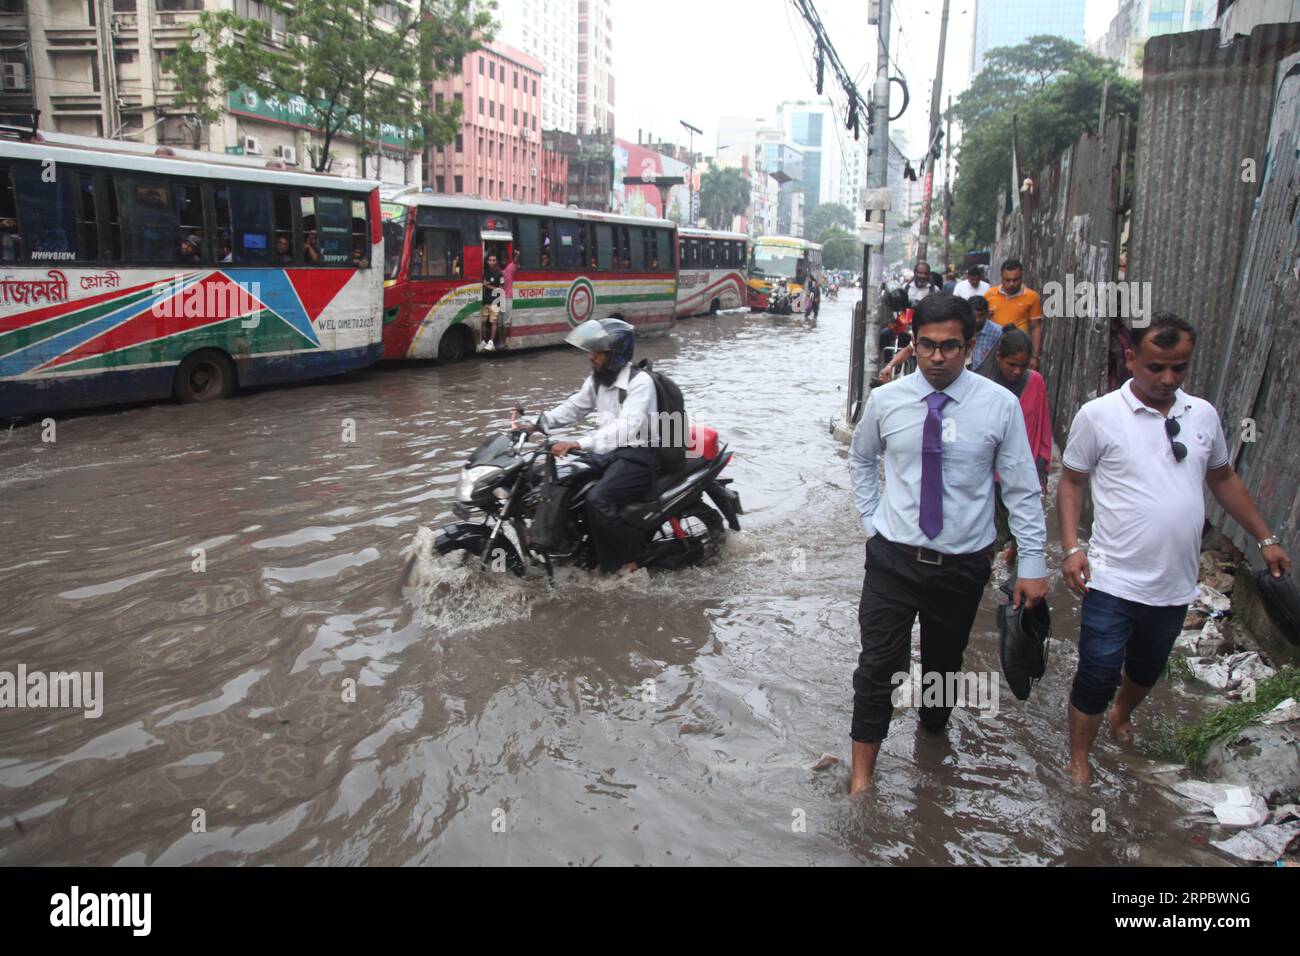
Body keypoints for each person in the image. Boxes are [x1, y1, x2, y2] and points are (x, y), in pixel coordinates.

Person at [1057, 312, 1292, 785]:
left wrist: (1266, 538)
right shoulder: (1099, 416)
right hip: (1112, 574)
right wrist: (1070, 547)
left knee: (1145, 669)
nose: (1168, 379)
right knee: (1098, 670)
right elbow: (1070, 483)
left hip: (1175, 580)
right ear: (1131, 359)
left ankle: (1122, 714)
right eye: (1156, 368)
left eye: (1179, 368)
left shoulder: (1202, 414)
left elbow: (1223, 478)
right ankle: (1079, 758)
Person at [848, 293, 1048, 793]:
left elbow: (1023, 486)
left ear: (971, 345)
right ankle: (861, 782)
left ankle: (931, 742)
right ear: (913, 343)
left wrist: (1032, 565)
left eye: (950, 347)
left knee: (943, 669)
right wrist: (874, 521)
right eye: (927, 346)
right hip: (892, 559)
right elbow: (860, 460)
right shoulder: (886, 401)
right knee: (878, 667)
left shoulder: (999, 406)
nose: (937, 357)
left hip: (961, 567)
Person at [518, 318, 659, 576]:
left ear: (615, 354)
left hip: (638, 455)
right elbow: (574, 407)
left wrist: (578, 443)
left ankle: (627, 560)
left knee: (598, 499)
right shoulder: (598, 380)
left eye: (598, 353)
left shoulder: (641, 383)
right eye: (592, 351)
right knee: (556, 480)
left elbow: (625, 428)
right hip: (605, 453)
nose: (592, 357)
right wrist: (538, 424)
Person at [977, 328, 1052, 565]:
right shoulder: (983, 387)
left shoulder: (1034, 382)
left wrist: (1042, 466)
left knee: (1026, 534)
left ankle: (1012, 566)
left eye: (1023, 365)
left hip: (1023, 472)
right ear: (998, 356)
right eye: (1011, 364)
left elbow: (1042, 424)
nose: (1017, 371)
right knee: (989, 539)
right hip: (990, 479)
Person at [985, 258, 1045, 371]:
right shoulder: (989, 295)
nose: (1011, 284)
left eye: (1015, 280)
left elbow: (1035, 327)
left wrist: (1035, 357)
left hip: (1019, 352)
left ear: (1021, 276)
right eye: (1007, 280)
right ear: (1001, 277)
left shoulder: (1032, 297)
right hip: (993, 350)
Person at [480, 252, 504, 351]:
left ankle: (491, 342)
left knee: (493, 322)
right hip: (484, 300)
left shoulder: (499, 273)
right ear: (487, 261)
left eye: (494, 260)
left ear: (496, 261)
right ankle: (483, 341)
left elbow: (501, 288)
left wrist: (488, 286)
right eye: (490, 260)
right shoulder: (484, 272)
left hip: (495, 301)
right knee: (482, 321)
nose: (492, 262)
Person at [496, 249, 519, 349]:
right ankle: (500, 341)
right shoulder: (497, 270)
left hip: (507, 298)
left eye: (505, 259)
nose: (503, 261)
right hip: (499, 298)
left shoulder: (510, 268)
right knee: (499, 322)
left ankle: (503, 341)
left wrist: (515, 252)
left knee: (505, 321)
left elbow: (517, 256)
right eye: (501, 259)